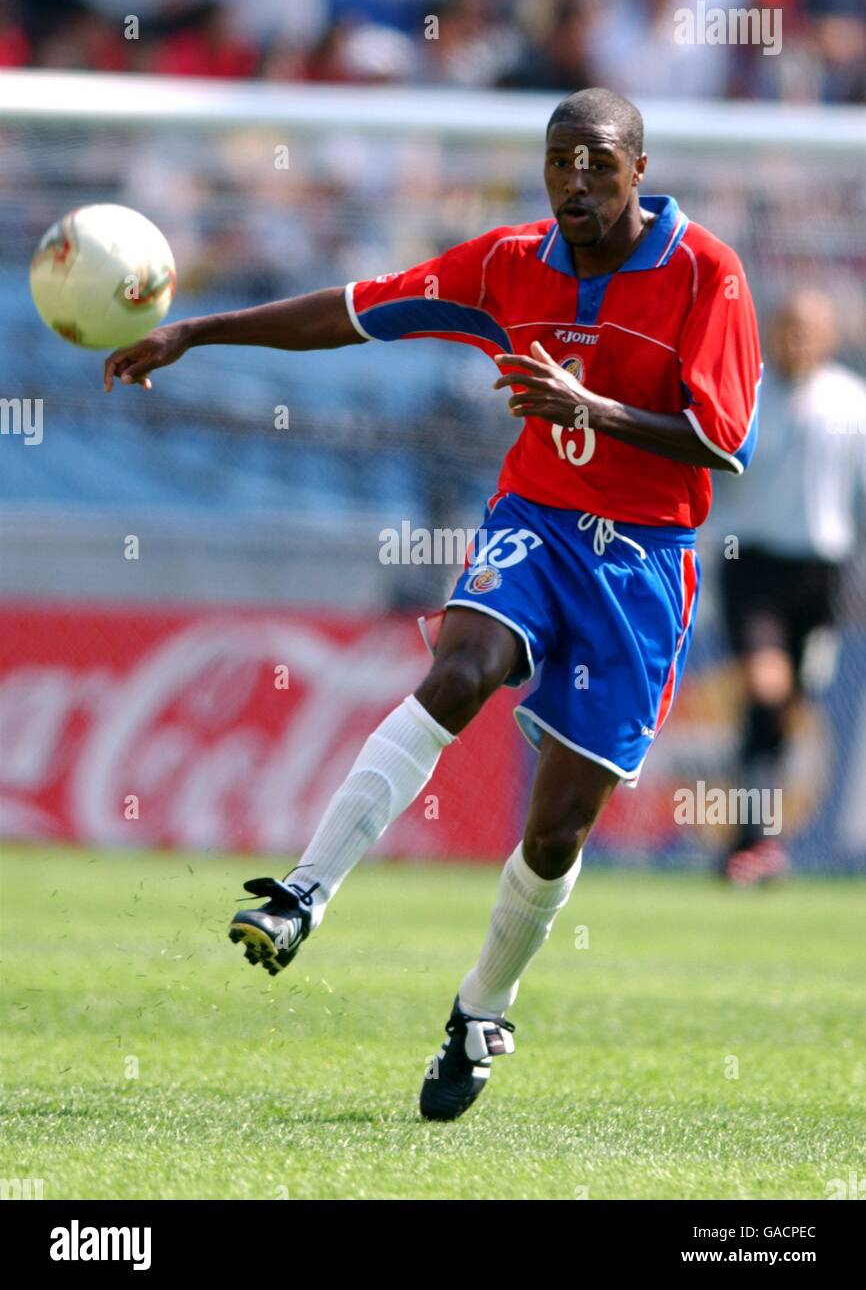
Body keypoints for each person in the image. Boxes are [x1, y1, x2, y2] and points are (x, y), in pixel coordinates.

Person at [103, 87, 762, 1122]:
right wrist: (198, 331)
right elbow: (355, 312)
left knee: (555, 835)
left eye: (595, 160)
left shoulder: (703, 273)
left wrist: (584, 404)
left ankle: (481, 1005)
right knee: (456, 671)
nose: (573, 180)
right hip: (535, 523)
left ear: (638, 165)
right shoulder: (507, 263)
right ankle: (302, 891)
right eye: (557, 161)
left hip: (640, 562)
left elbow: (722, 439)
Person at [715, 288, 866, 884]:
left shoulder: (852, 404)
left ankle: (751, 844)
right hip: (753, 568)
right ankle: (755, 842)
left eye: (808, 327)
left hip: (820, 576)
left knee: (781, 712)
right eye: (786, 326)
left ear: (830, 336)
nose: (795, 338)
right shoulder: (745, 398)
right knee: (768, 687)